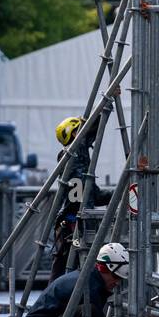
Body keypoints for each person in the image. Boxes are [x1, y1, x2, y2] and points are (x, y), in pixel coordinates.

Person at [49, 114, 107, 281]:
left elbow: (94, 197)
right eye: (80, 129)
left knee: (64, 270)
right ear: (75, 135)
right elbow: (89, 133)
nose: (86, 133)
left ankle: (65, 304)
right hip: (72, 225)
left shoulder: (71, 159)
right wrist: (102, 110)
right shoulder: (74, 155)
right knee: (66, 271)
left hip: (72, 224)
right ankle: (60, 305)